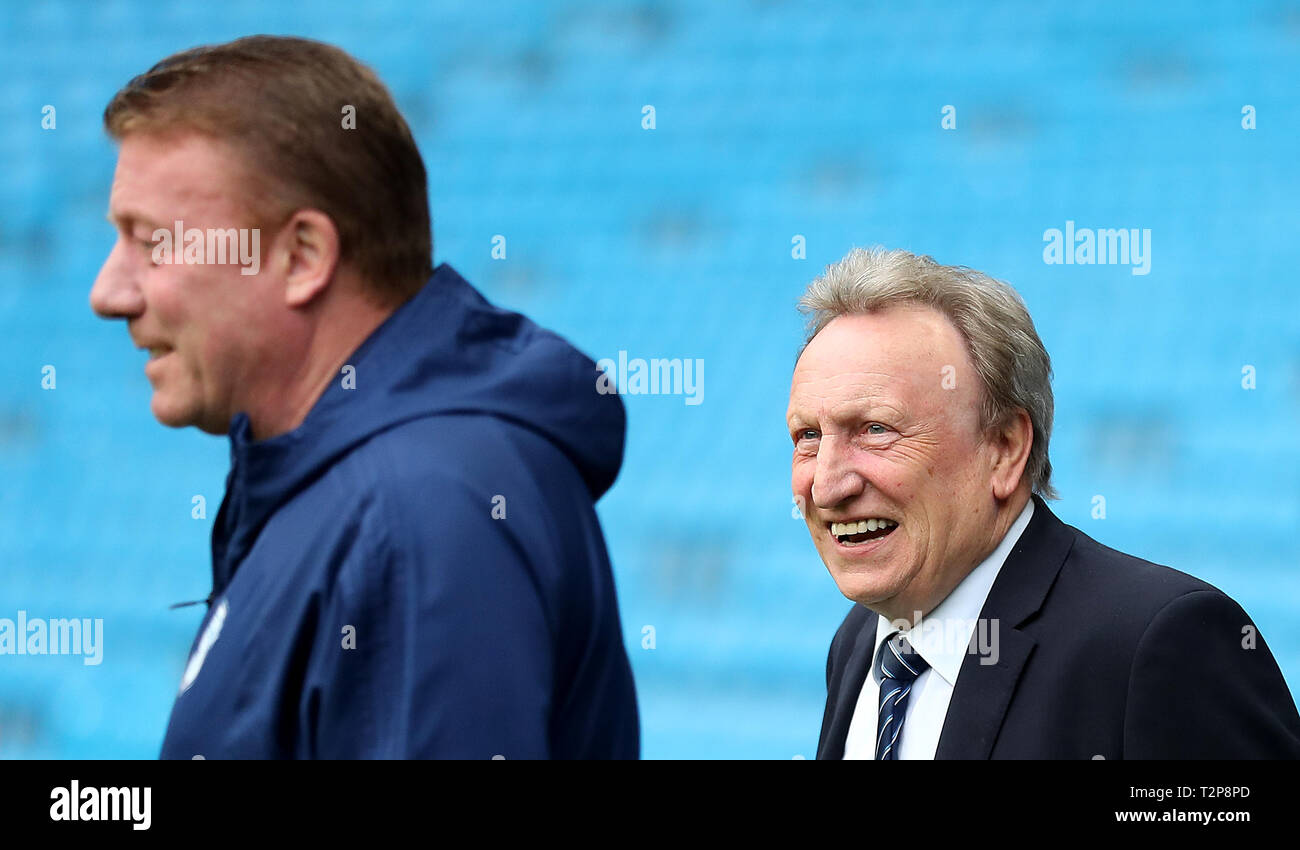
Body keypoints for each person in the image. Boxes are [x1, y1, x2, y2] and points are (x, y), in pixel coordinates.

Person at [89, 35, 638, 758]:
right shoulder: (368, 490)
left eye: (152, 242)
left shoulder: (417, 513)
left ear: (302, 258)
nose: (109, 293)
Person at [788, 247, 1300, 759]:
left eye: (876, 430)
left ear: (1005, 449)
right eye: (807, 435)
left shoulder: (1162, 645)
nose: (826, 486)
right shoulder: (861, 641)